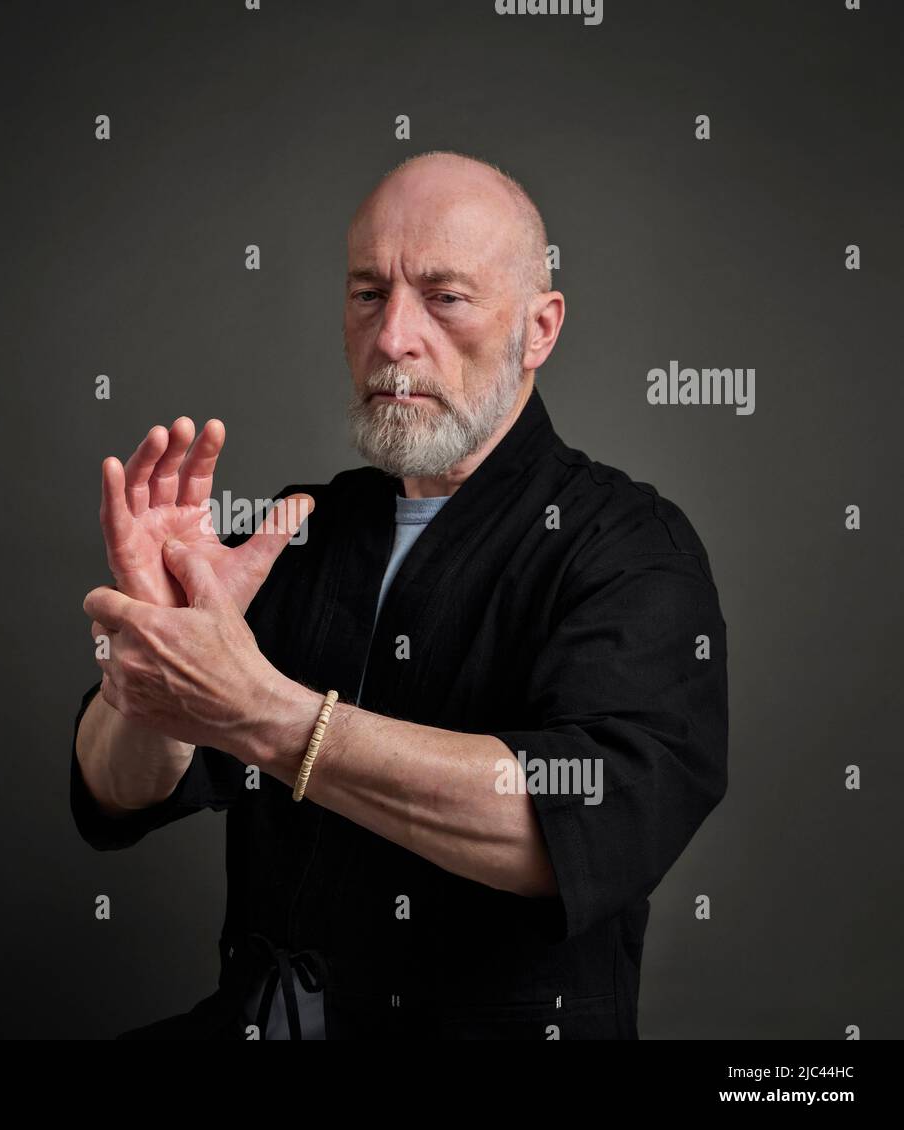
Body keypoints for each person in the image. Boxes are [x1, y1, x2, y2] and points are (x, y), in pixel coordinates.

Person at [70, 150, 729, 1039]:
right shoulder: (299, 532)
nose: (393, 338)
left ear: (540, 328)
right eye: (369, 294)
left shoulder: (627, 548)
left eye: (445, 297)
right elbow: (117, 793)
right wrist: (153, 658)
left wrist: (269, 715)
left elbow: (573, 826)